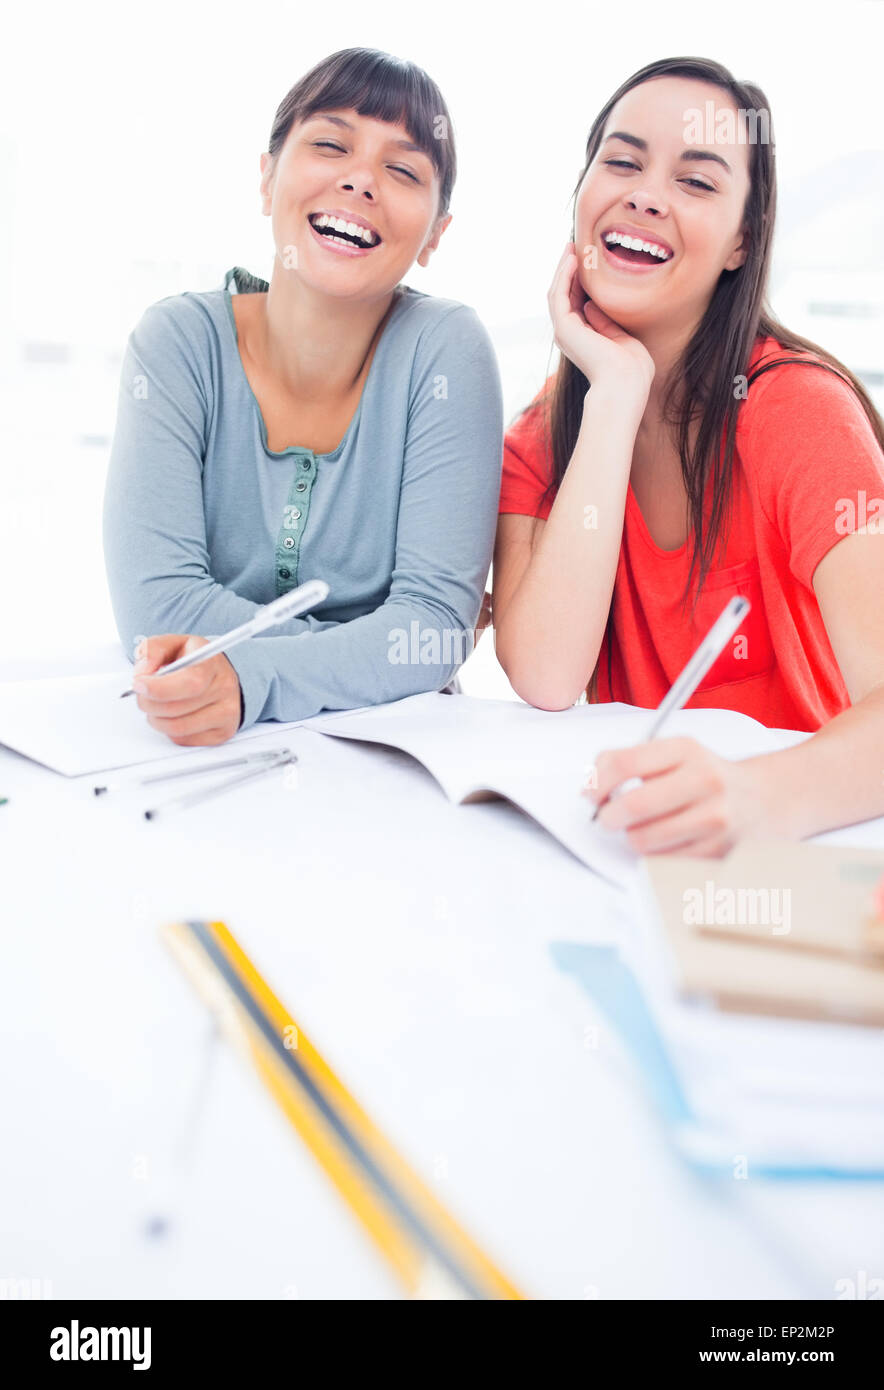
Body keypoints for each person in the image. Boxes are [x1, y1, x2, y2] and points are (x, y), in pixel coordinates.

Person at [491, 56, 884, 857]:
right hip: (632, 848)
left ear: (743, 242)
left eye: (697, 182)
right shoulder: (544, 433)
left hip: (804, 852)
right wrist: (615, 394)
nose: (645, 194)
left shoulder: (798, 412)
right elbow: (545, 673)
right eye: (623, 161)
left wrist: (756, 796)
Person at [103, 47, 503, 745]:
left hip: (388, 755)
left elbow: (432, 638)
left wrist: (256, 676)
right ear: (267, 179)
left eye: (404, 170)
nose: (360, 180)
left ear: (437, 234)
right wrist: (373, 644)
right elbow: (156, 605)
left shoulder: (447, 351)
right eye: (329, 144)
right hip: (183, 751)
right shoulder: (177, 345)